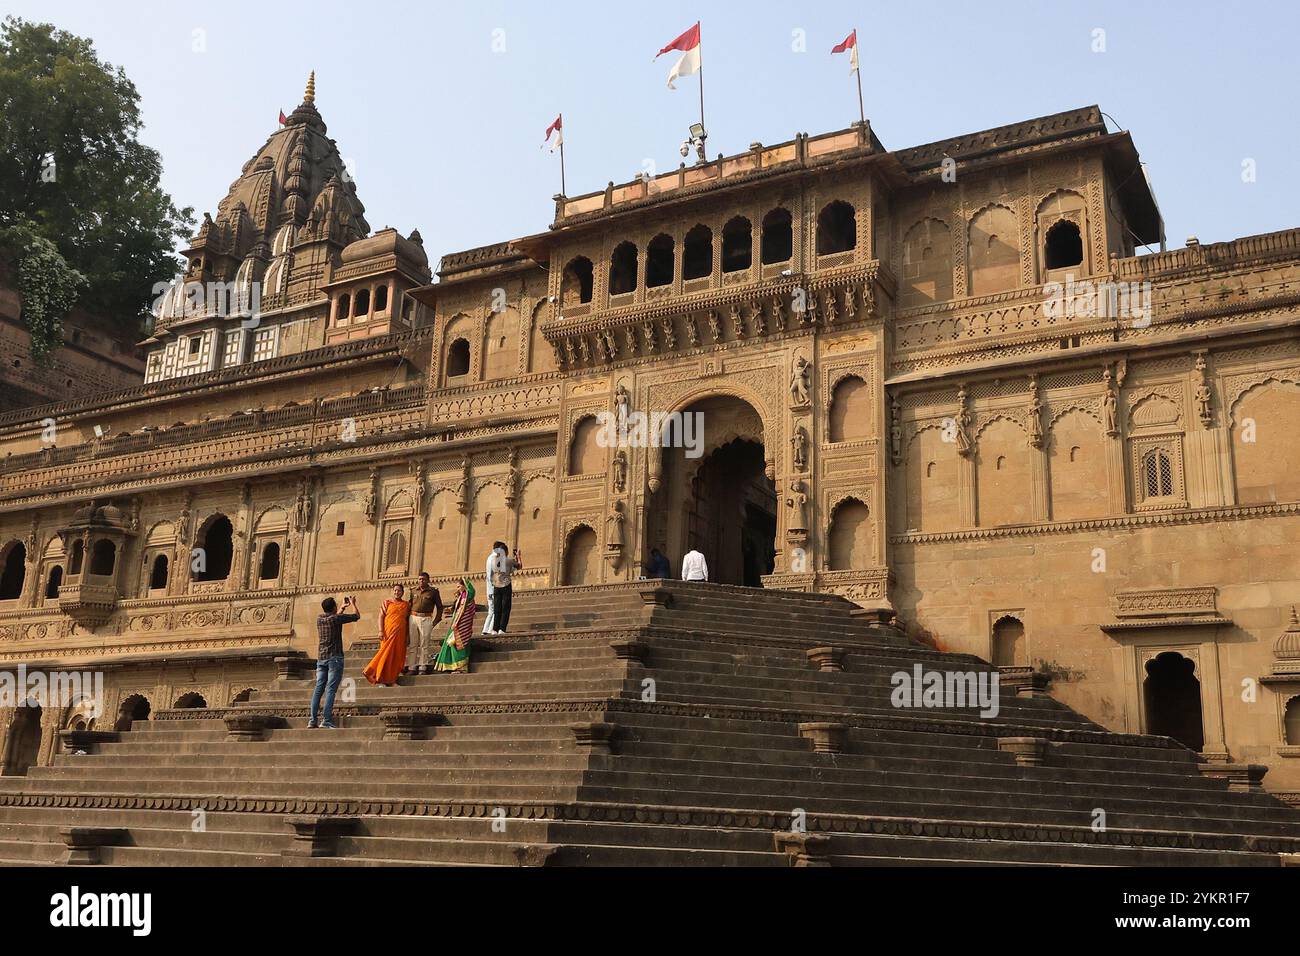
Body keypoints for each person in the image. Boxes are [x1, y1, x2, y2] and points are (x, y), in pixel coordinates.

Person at [310, 595, 360, 729]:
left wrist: (342, 608)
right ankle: (326, 720)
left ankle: (312, 720)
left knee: (318, 689)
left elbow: (333, 618)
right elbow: (356, 616)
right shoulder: (336, 618)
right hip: (334, 658)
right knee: (330, 689)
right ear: (333, 608)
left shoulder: (320, 619)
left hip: (321, 659)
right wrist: (353, 603)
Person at [363, 584, 410, 686]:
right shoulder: (387, 602)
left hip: (400, 635)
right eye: (395, 590)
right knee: (385, 655)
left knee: (396, 657)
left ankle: (392, 679)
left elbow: (407, 620)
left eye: (399, 591)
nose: (397, 592)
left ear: (403, 592)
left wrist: (407, 635)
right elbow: (381, 617)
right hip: (388, 633)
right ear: (393, 591)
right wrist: (380, 630)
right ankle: (377, 675)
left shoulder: (406, 605)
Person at [434, 578, 477, 674]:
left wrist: (465, 580)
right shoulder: (461, 596)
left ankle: (462, 668)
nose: (457, 588)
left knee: (459, 645)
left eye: (459, 586)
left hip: (463, 625)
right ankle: (456, 666)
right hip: (456, 624)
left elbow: (472, 591)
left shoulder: (468, 595)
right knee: (453, 644)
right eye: (457, 586)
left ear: (464, 586)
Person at [407, 572, 444, 675]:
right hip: (413, 618)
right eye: (419, 579)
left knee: (424, 644)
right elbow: (409, 605)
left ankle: (422, 667)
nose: (421, 581)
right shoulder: (413, 590)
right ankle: (412, 667)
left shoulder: (433, 592)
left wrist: (435, 621)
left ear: (428, 580)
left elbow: (440, 607)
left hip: (426, 618)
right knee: (413, 644)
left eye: (423, 579)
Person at [486, 541, 521, 635]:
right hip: (505, 585)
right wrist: (518, 557)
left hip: (496, 586)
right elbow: (519, 566)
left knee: (497, 608)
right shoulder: (508, 560)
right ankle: (502, 629)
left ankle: (494, 629)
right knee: (505, 607)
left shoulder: (493, 560)